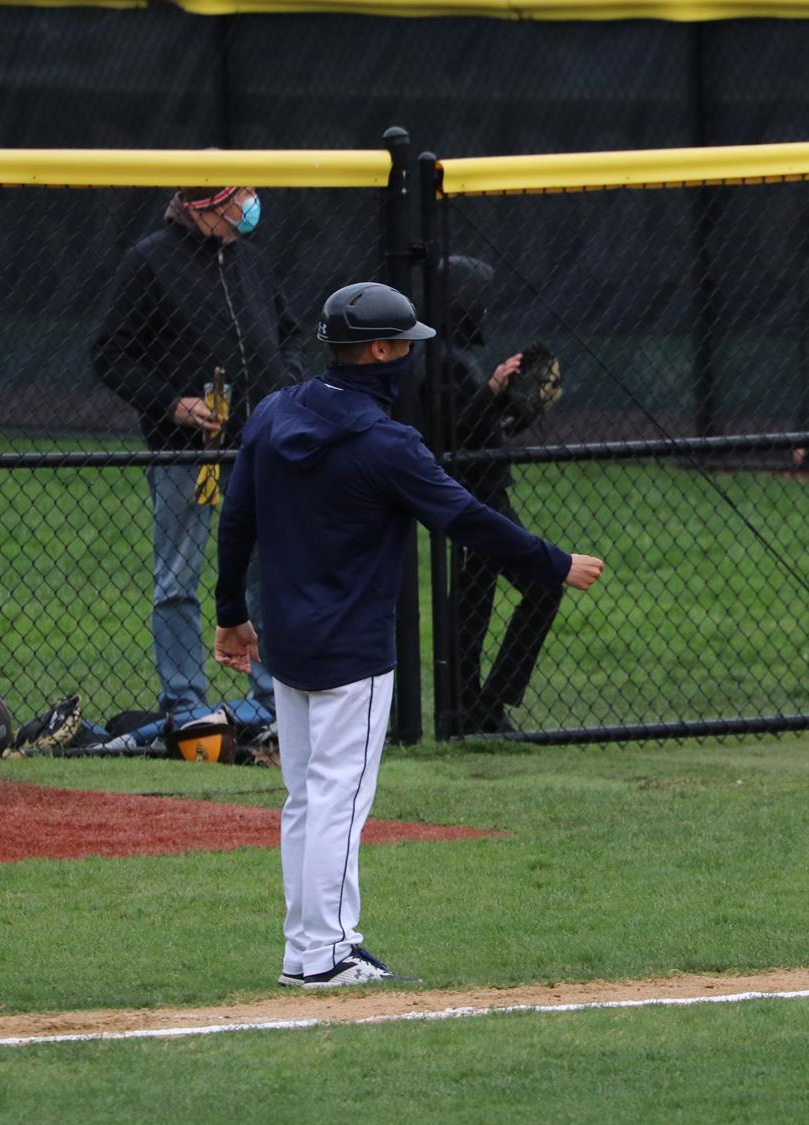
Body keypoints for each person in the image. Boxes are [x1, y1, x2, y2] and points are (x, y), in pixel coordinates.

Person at [213, 282, 604, 989]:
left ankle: (305, 949)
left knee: (306, 796)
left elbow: (237, 513)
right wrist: (553, 563)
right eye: (405, 346)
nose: (412, 358)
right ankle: (330, 952)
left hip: (289, 643)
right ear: (382, 351)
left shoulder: (275, 412)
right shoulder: (385, 443)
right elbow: (468, 518)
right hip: (354, 650)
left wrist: (228, 610)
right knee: (338, 796)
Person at [93, 182, 301, 721]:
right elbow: (109, 352)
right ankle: (185, 705)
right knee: (178, 577)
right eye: (239, 196)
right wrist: (172, 404)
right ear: (201, 206)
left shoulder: (251, 260)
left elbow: (289, 335)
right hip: (188, 452)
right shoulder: (151, 261)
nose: (250, 204)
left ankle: (267, 700)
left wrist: (287, 389)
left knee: (264, 571)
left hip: (258, 450)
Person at [435, 255, 564, 734]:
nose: (484, 312)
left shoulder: (459, 354)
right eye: (477, 302)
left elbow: (480, 428)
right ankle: (476, 709)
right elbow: (448, 435)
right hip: (470, 500)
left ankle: (480, 707)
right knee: (496, 597)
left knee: (487, 597)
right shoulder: (440, 357)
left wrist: (510, 410)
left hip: (487, 495)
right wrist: (490, 391)